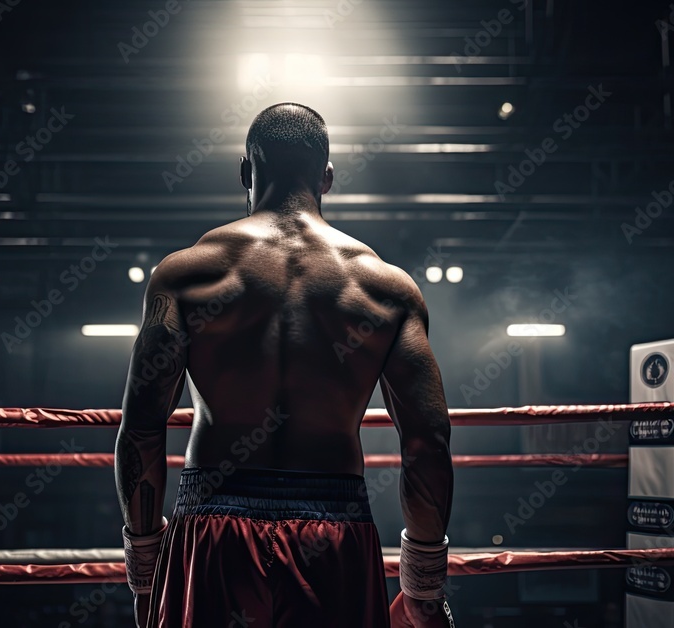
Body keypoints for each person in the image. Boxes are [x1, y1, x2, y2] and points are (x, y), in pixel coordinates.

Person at [115, 103, 454, 628]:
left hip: (214, 522)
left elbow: (141, 428)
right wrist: (424, 587)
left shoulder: (184, 275)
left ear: (246, 172)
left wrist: (144, 576)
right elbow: (427, 440)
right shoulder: (386, 288)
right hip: (334, 526)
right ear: (328, 178)